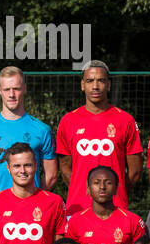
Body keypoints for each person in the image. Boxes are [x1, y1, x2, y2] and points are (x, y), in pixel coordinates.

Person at [55, 61, 143, 215]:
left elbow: (134, 172)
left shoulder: (125, 120)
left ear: (108, 85)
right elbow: (65, 169)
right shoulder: (68, 121)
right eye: (90, 81)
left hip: (116, 207)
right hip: (78, 208)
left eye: (100, 81)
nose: (95, 86)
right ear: (82, 85)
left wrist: (115, 192)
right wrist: (86, 192)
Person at [0, 65, 57, 206]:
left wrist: (33, 199)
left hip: (30, 209)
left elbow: (51, 175)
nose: (11, 94)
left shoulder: (42, 130)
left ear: (24, 89)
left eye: (16, 89)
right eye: (6, 89)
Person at [64, 166, 147, 244]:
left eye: (108, 183)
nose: (102, 187)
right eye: (96, 183)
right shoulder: (75, 221)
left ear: (116, 189)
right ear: (88, 188)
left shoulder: (132, 220)